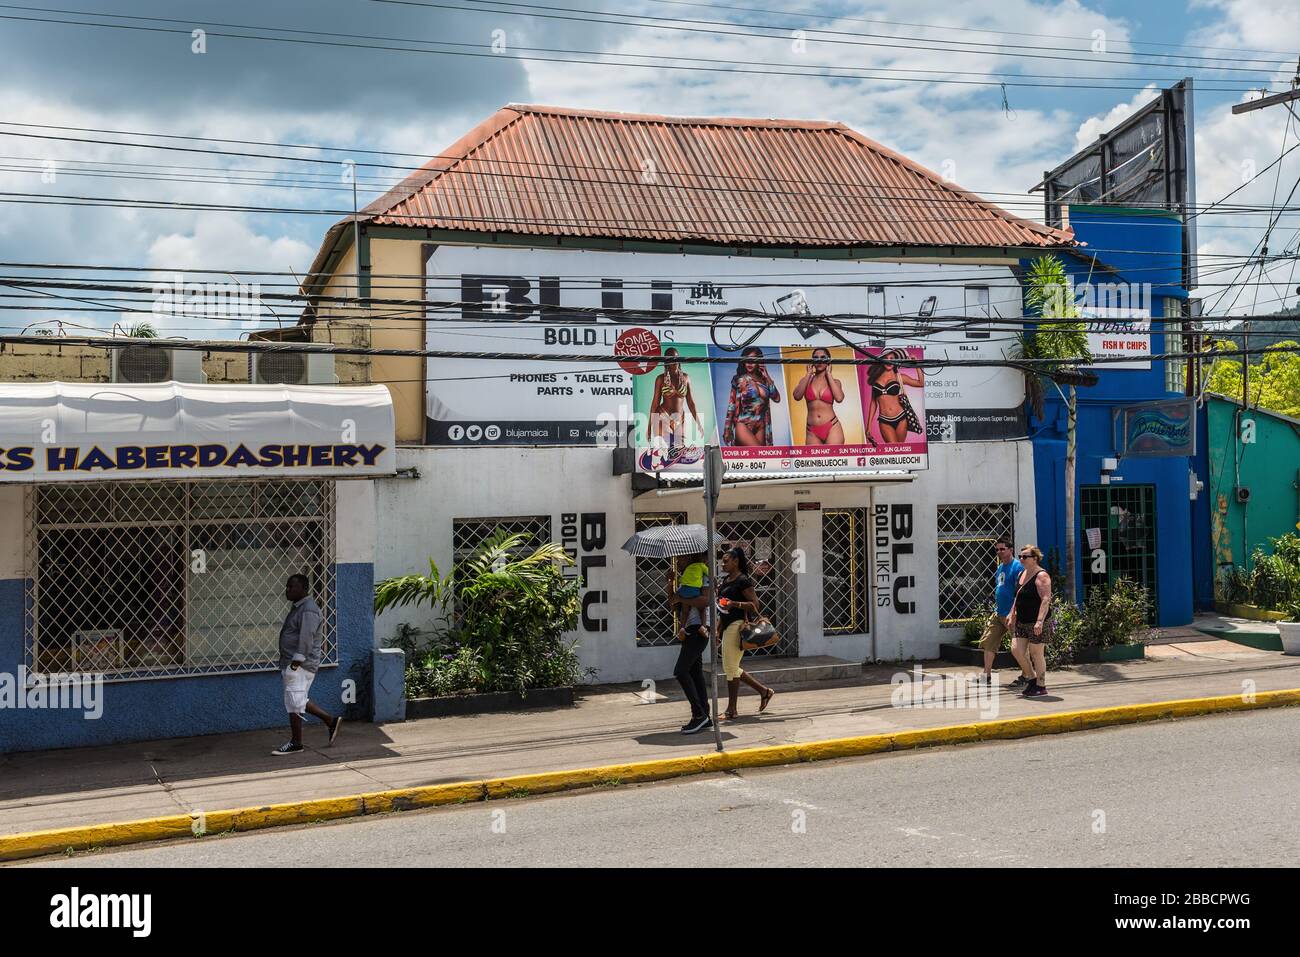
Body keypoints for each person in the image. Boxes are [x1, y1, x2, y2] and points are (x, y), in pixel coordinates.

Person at [271, 573, 343, 755]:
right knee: (293, 701)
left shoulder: (308, 609)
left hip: (300, 665)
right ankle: (328, 722)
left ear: (303, 589)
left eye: (291, 587)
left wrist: (295, 664)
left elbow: (306, 639)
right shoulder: (298, 607)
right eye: (287, 586)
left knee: (295, 700)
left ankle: (297, 742)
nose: (287, 590)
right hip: (293, 664)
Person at [715, 546, 776, 720]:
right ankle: (764, 691)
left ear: (736, 561)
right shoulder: (726, 580)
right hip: (727, 625)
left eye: (726, 560)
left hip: (738, 625)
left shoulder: (743, 580)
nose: (723, 563)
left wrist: (735, 604)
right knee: (732, 667)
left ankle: (732, 710)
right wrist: (718, 629)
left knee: (730, 667)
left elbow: (755, 605)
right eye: (722, 560)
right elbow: (722, 609)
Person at [666, 553, 713, 735]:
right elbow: (672, 602)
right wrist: (670, 583)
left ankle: (699, 714)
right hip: (690, 631)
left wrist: (681, 599)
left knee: (681, 671)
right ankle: (704, 715)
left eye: (681, 559)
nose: (678, 562)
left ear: (690, 558)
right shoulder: (685, 580)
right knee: (695, 673)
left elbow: (706, 601)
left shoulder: (703, 576)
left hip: (699, 631)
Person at [975, 536, 1023, 685]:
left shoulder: (1017, 567)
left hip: (1012, 614)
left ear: (1010, 550)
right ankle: (986, 675)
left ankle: (1027, 675)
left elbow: (1020, 590)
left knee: (1019, 647)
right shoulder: (1000, 567)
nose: (999, 552)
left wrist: (1013, 611)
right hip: (999, 612)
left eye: (1003, 549)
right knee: (989, 642)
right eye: (997, 549)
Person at [1007, 545, 1053, 698]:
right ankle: (1032, 679)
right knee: (1016, 650)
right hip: (1022, 620)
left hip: (1037, 621)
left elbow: (1046, 599)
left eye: (1025, 556)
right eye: (1020, 556)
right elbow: (1017, 596)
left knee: (1036, 653)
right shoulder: (1022, 573)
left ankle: (1041, 685)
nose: (1021, 559)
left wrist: (1039, 621)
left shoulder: (1041, 576)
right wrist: (1011, 613)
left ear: (1035, 558)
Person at [722, 347, 781, 446]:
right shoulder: (739, 379)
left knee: (762, 459)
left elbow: (777, 398)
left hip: (760, 426)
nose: (749, 363)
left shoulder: (765, 381)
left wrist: (767, 375)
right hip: (743, 424)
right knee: (758, 453)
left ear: (759, 362)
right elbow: (731, 404)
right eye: (747, 360)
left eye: (753, 360)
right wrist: (727, 428)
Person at [864, 349, 924, 445]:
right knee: (892, 448)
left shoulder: (899, 377)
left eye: (892, 358)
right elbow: (873, 403)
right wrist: (868, 426)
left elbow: (921, 383)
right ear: (882, 361)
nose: (889, 361)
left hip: (901, 418)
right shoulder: (875, 379)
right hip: (884, 420)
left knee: (899, 449)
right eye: (886, 358)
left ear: (896, 361)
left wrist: (917, 364)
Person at [647, 347, 703, 449]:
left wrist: (698, 423)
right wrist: (649, 428)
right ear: (666, 361)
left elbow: (691, 403)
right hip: (662, 415)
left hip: (679, 417)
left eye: (676, 357)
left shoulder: (686, 378)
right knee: (665, 447)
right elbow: (655, 403)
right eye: (670, 358)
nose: (674, 360)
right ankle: (657, 462)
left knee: (679, 449)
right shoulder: (660, 379)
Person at [792, 348, 844, 446]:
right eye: (815, 358)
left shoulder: (835, 382)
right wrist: (808, 374)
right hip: (812, 431)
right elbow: (797, 396)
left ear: (828, 360)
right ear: (812, 361)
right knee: (813, 461)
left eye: (823, 357)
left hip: (832, 427)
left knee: (833, 460)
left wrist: (829, 374)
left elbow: (839, 398)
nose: (819, 360)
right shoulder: (806, 380)